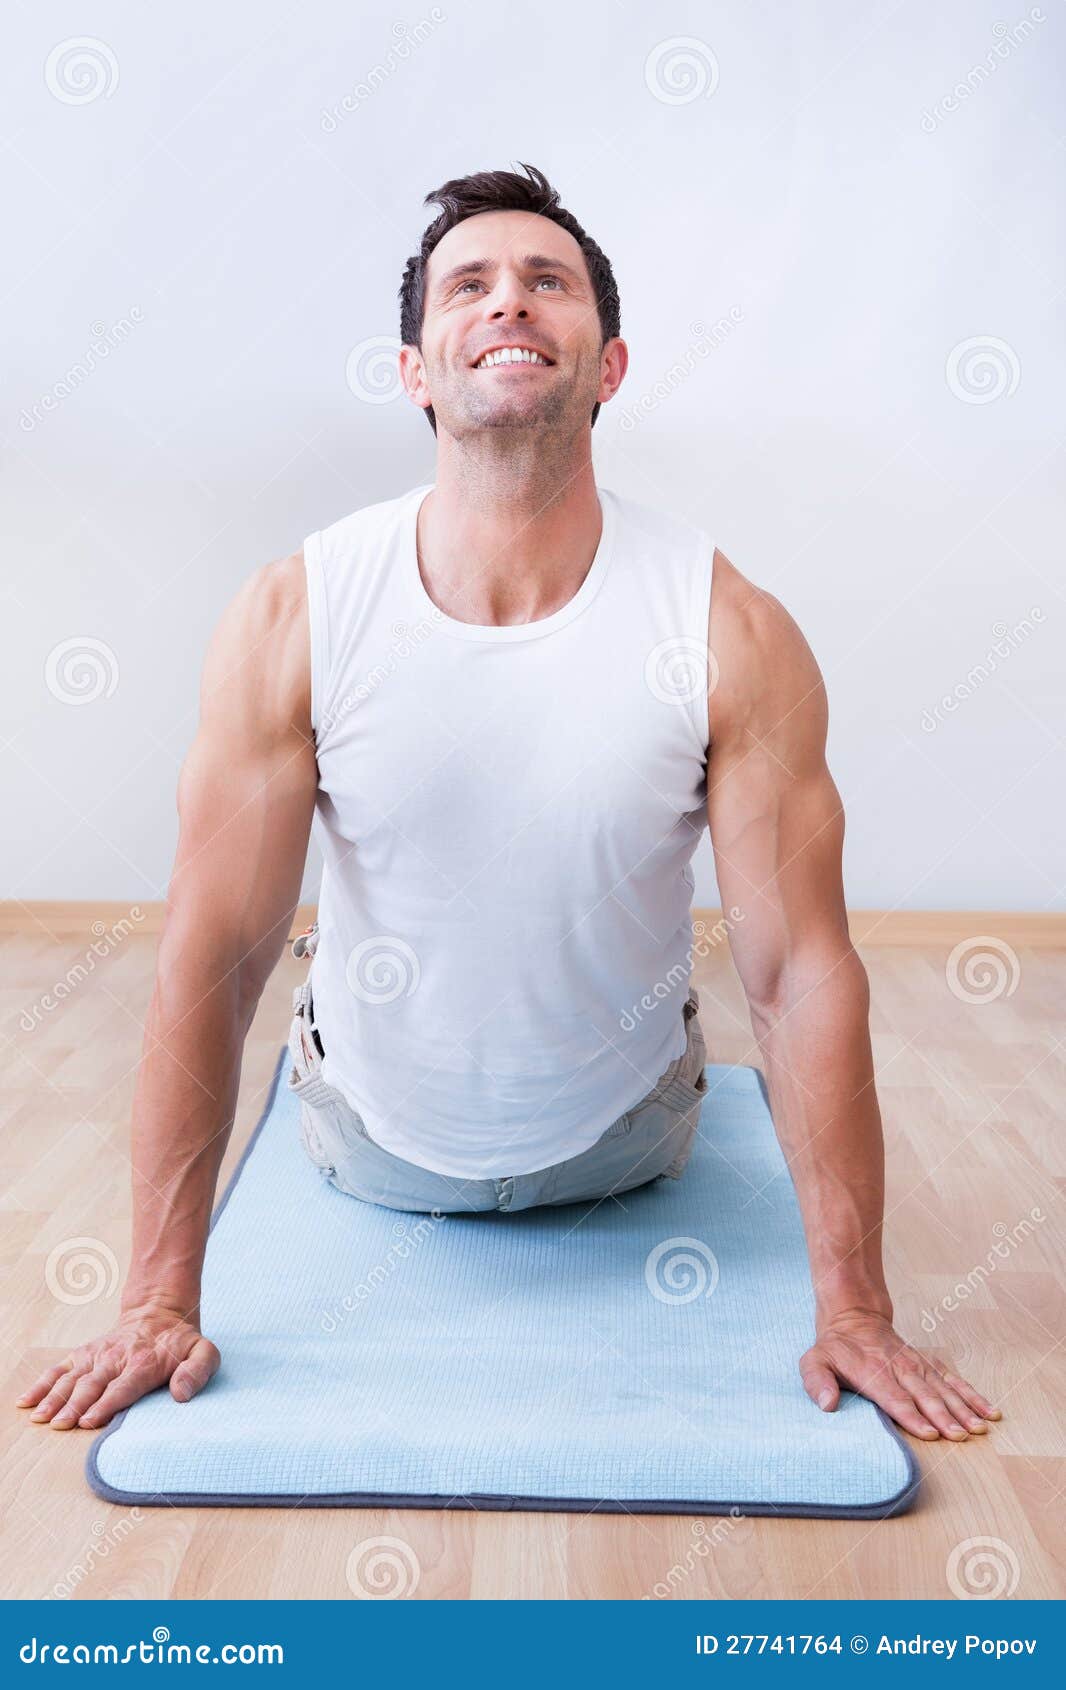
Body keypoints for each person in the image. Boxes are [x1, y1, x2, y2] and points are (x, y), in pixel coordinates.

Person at [18, 163, 999, 1447]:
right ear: (417, 370)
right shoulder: (295, 614)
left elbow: (800, 967)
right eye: (467, 286)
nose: (509, 303)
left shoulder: (728, 627)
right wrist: (156, 1299)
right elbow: (213, 956)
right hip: (366, 1142)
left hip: (633, 1142)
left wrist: (857, 1309)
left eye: (550, 283)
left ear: (610, 364)